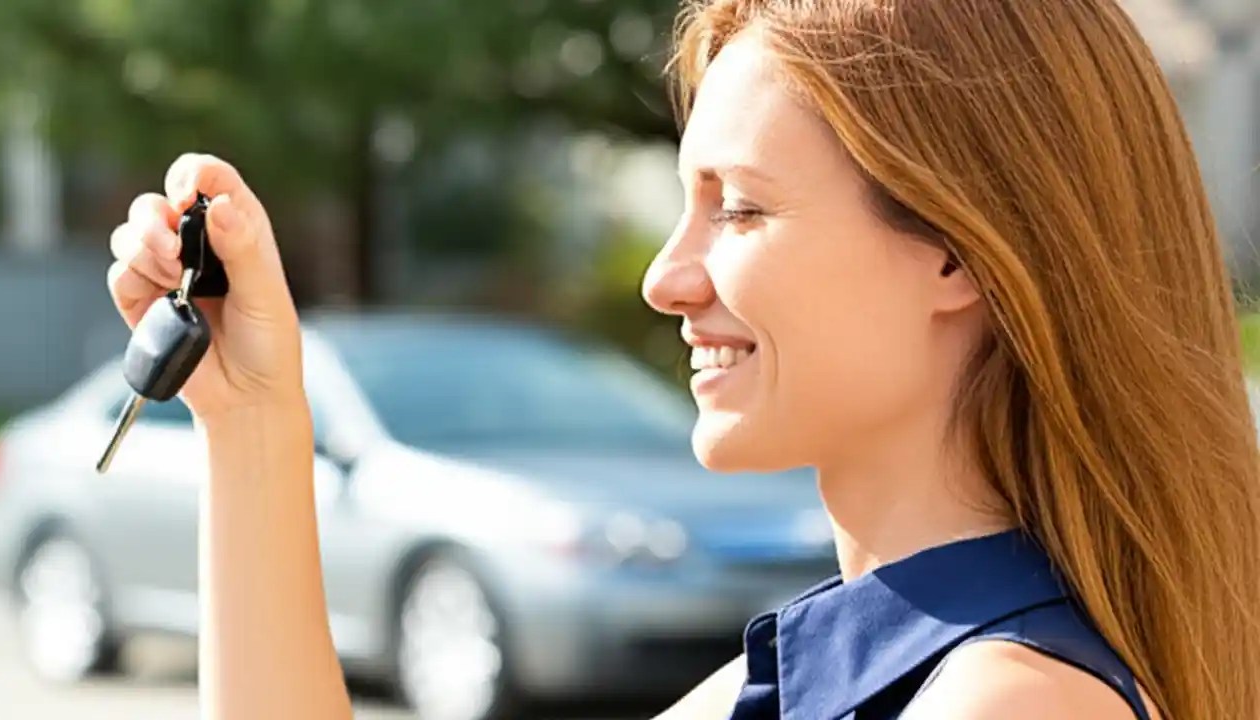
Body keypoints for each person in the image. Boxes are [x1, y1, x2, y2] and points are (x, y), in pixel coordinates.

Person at [105, 0, 1260, 718]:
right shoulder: (850, 660)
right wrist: (252, 422)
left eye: (741, 210)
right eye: (682, 205)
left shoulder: (1002, 704)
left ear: (958, 256)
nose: (665, 275)